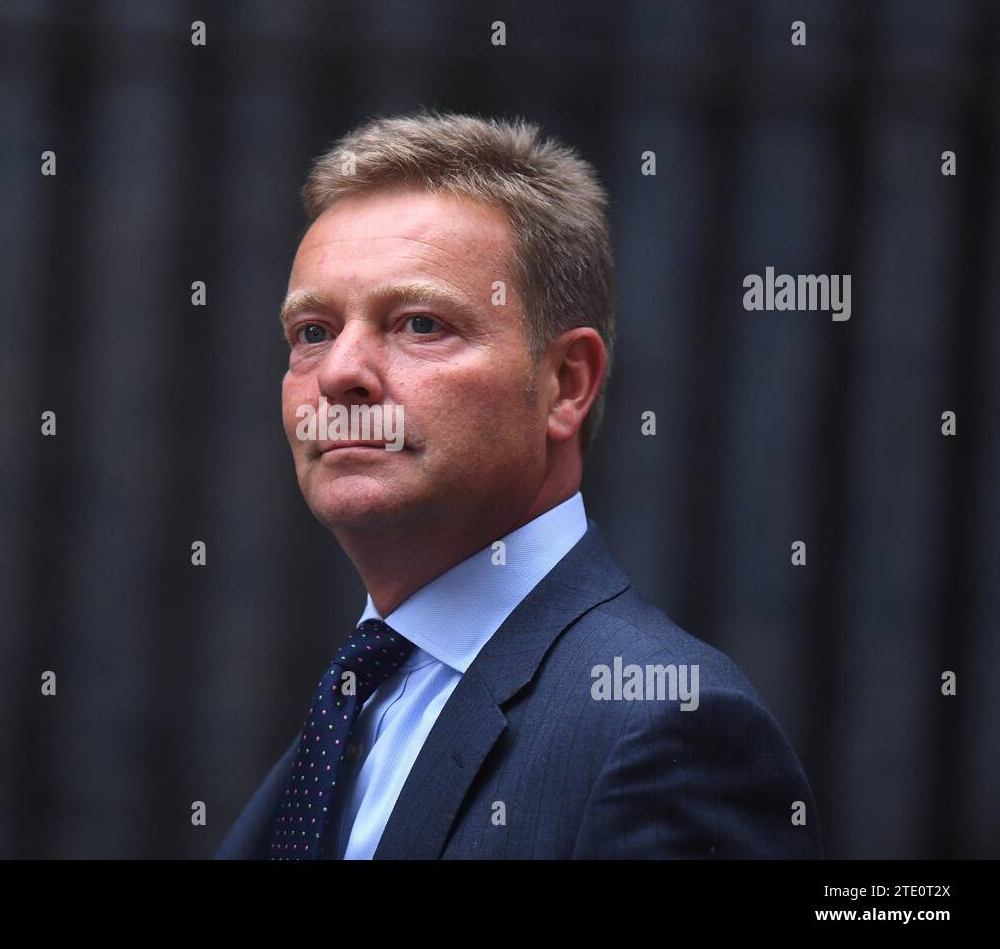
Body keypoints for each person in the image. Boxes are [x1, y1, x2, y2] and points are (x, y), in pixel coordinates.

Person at [217, 110, 822, 859]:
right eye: (313, 331)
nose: (340, 372)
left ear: (565, 383)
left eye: (419, 324)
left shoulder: (665, 730)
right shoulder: (356, 705)